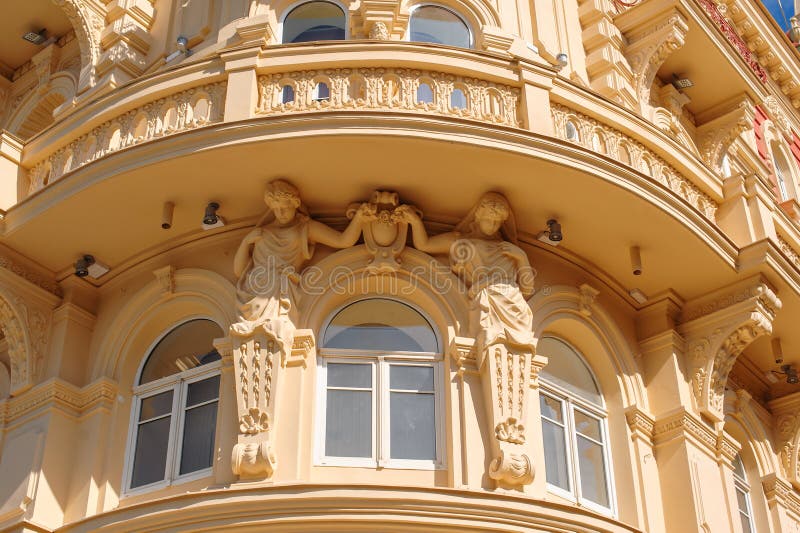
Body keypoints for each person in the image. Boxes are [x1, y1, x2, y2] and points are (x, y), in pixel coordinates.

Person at [232, 179, 374, 356]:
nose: (281, 212)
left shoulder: (305, 228)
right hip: (256, 289)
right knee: (255, 335)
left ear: (296, 204)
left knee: (275, 330)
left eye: (285, 207)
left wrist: (359, 219)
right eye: (276, 208)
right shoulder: (261, 233)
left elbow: (342, 240)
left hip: (280, 287)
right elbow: (239, 271)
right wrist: (246, 242)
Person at [400, 192, 535, 351]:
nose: (492, 225)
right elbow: (424, 245)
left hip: (512, 303)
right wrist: (415, 221)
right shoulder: (460, 241)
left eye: (497, 222)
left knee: (514, 350)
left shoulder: (509, 250)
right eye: (489, 220)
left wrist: (522, 257)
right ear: (478, 216)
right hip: (486, 300)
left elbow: (528, 289)